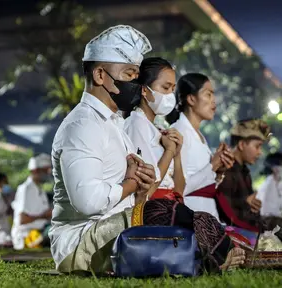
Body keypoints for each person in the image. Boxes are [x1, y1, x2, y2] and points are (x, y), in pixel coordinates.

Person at [49, 25, 244, 274]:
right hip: (80, 244)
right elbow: (88, 202)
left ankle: (214, 254)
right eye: (129, 73)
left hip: (115, 230)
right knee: (163, 211)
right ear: (100, 75)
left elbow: (129, 199)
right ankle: (218, 254)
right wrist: (132, 183)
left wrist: (141, 189)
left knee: (170, 215)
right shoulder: (82, 125)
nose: (136, 82)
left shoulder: (114, 123)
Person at [167, 73, 235, 221]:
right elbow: (179, 189)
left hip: (206, 214)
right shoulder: (179, 132)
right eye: (208, 94)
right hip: (192, 216)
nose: (214, 101)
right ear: (191, 99)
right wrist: (213, 164)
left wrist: (218, 172)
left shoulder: (199, 136)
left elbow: (204, 185)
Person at [124, 57, 185, 200]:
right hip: (153, 209)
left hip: (170, 203)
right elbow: (146, 190)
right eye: (165, 87)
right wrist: (169, 151)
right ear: (145, 90)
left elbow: (179, 189)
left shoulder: (158, 129)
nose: (170, 95)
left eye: (172, 89)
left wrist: (177, 153)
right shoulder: (136, 124)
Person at [216, 120, 282, 238]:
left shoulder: (244, 172)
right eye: (257, 146)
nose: (260, 152)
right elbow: (224, 216)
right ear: (241, 145)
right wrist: (246, 204)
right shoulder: (226, 170)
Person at [11, 154, 53, 250]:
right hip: (27, 237)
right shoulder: (26, 189)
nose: (48, 173)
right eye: (45, 170)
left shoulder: (40, 190)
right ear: (35, 171)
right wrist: (44, 215)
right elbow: (23, 220)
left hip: (39, 233)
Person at [257, 152, 282, 217]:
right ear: (275, 168)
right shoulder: (268, 186)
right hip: (270, 224)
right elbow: (266, 215)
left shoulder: (278, 184)